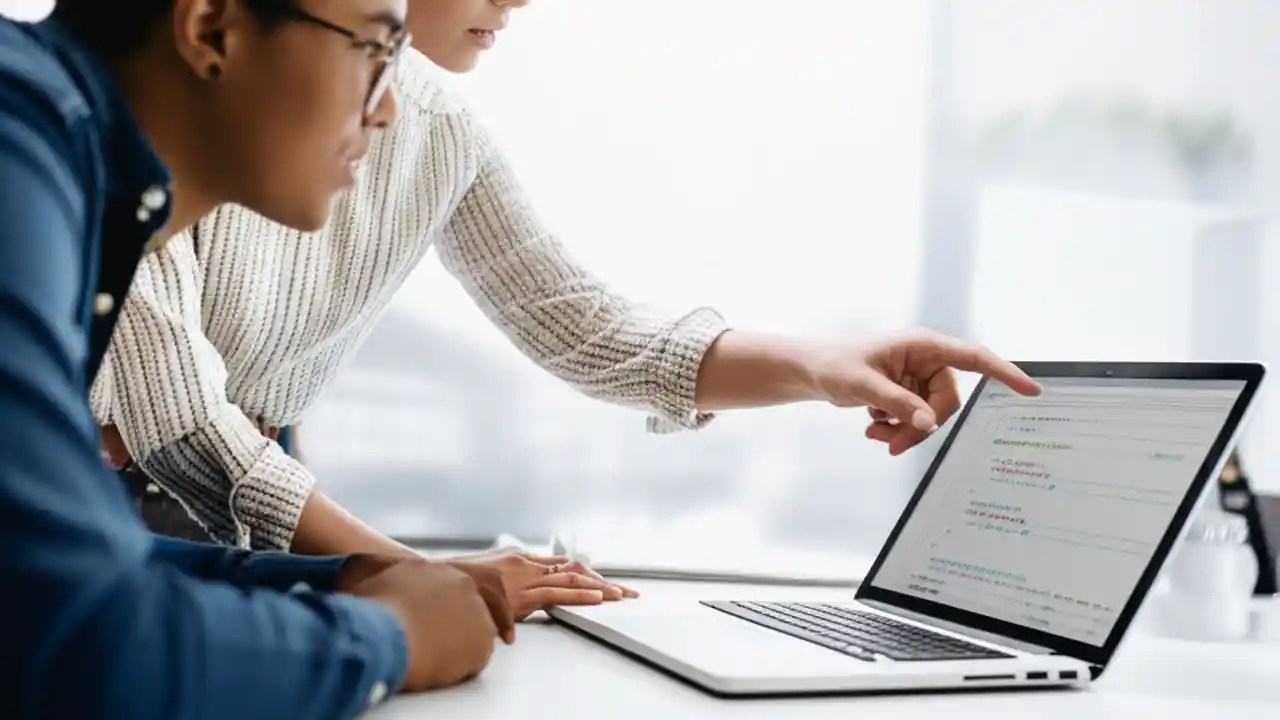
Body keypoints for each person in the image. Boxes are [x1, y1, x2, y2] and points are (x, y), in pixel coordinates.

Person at [93, 0, 1045, 621]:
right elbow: (179, 418)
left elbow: (583, 325)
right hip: (110, 502)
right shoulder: (165, 98)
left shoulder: (436, 127)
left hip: (244, 516)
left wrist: (827, 365)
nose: (517, 2)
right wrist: (422, 581)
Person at [0, 1, 522, 717]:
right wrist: (391, 635)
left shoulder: (68, 162)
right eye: (374, 50)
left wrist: (341, 580)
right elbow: (83, 640)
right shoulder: (15, 150)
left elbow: (41, 568)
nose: (389, 109)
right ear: (212, 29)